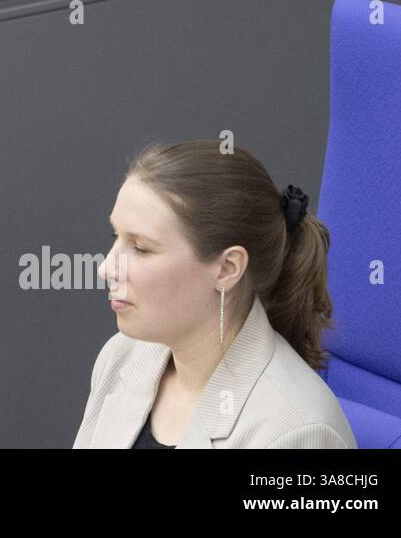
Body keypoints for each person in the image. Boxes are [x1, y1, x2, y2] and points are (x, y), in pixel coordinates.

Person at [75, 140, 356, 448]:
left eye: (141, 248)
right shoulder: (123, 356)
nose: (106, 269)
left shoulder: (300, 431)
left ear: (227, 268)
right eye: (116, 237)